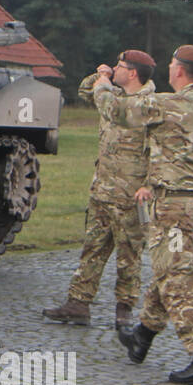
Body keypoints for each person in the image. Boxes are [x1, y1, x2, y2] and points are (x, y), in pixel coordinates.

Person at [94, 45, 193, 385]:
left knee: (178, 284)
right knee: (172, 273)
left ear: (179, 71)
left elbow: (116, 111)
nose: (170, 68)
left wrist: (102, 82)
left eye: (172, 63)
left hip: (174, 208)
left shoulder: (164, 104)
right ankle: (142, 336)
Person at [43, 49, 156, 330]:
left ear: (132, 73)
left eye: (119, 67)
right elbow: (85, 90)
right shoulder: (112, 95)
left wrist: (150, 186)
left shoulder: (151, 105)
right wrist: (101, 75)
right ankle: (78, 303)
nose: (114, 69)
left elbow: (161, 153)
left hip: (132, 197)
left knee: (129, 255)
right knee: (92, 248)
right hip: (103, 191)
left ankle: (125, 309)